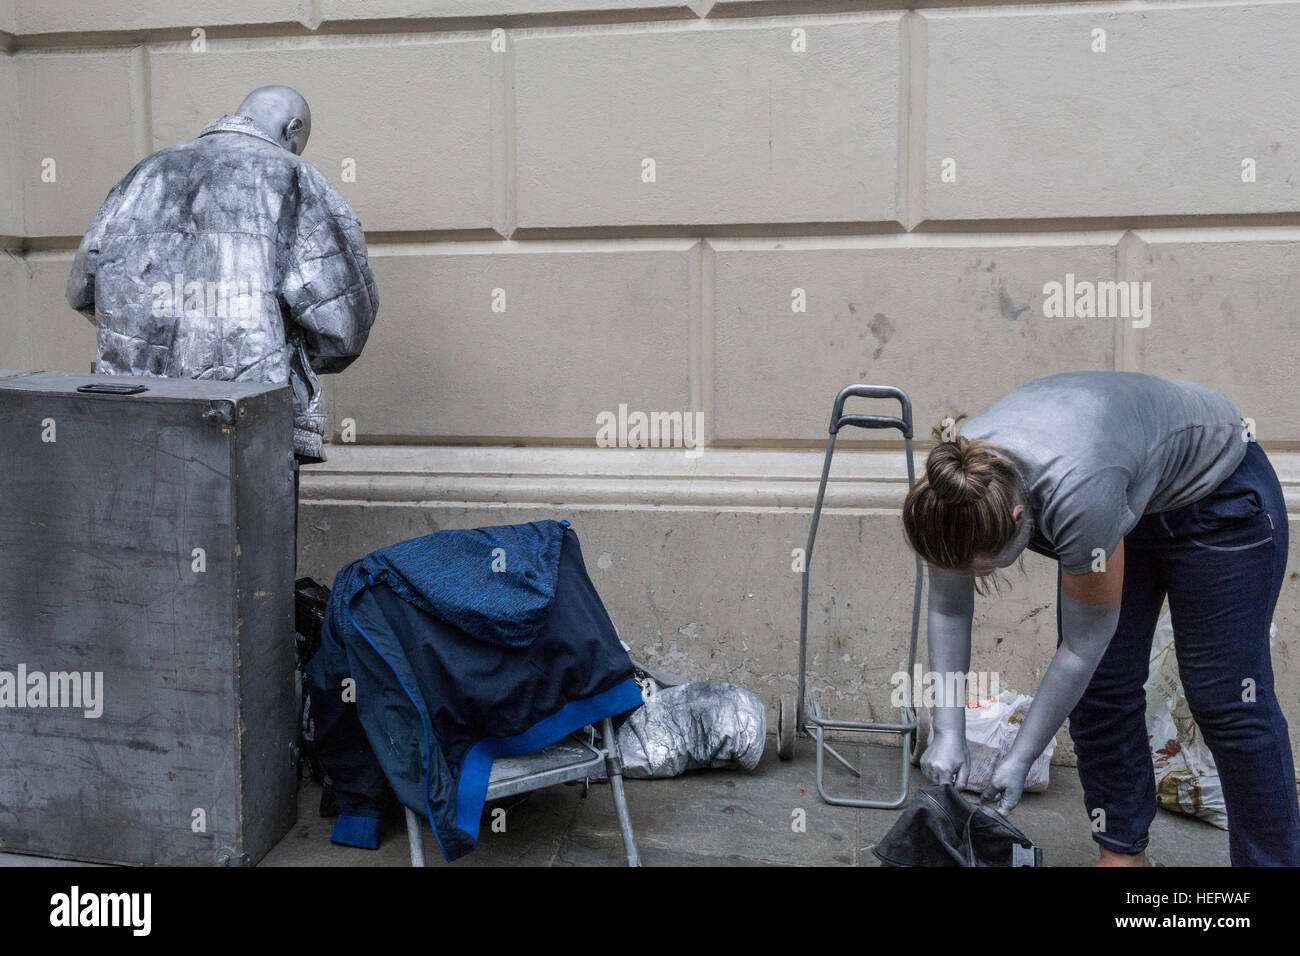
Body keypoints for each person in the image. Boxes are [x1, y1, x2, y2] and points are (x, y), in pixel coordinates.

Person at [902, 371, 1299, 866]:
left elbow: (1081, 647)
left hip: (1217, 497)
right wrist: (948, 731)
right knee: (1103, 688)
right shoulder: (953, 494)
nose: (968, 576)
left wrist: (1022, 757)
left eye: (981, 566)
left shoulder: (1077, 492)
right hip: (1128, 486)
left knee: (1228, 699)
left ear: (1019, 516)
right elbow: (947, 605)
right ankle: (1123, 853)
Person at [66, 85, 378, 467]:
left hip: (136, 411)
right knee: (248, 524)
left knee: (144, 520)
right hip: (249, 419)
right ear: (292, 129)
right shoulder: (295, 176)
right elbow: (342, 321)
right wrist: (288, 345)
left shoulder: (146, 174)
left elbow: (83, 287)